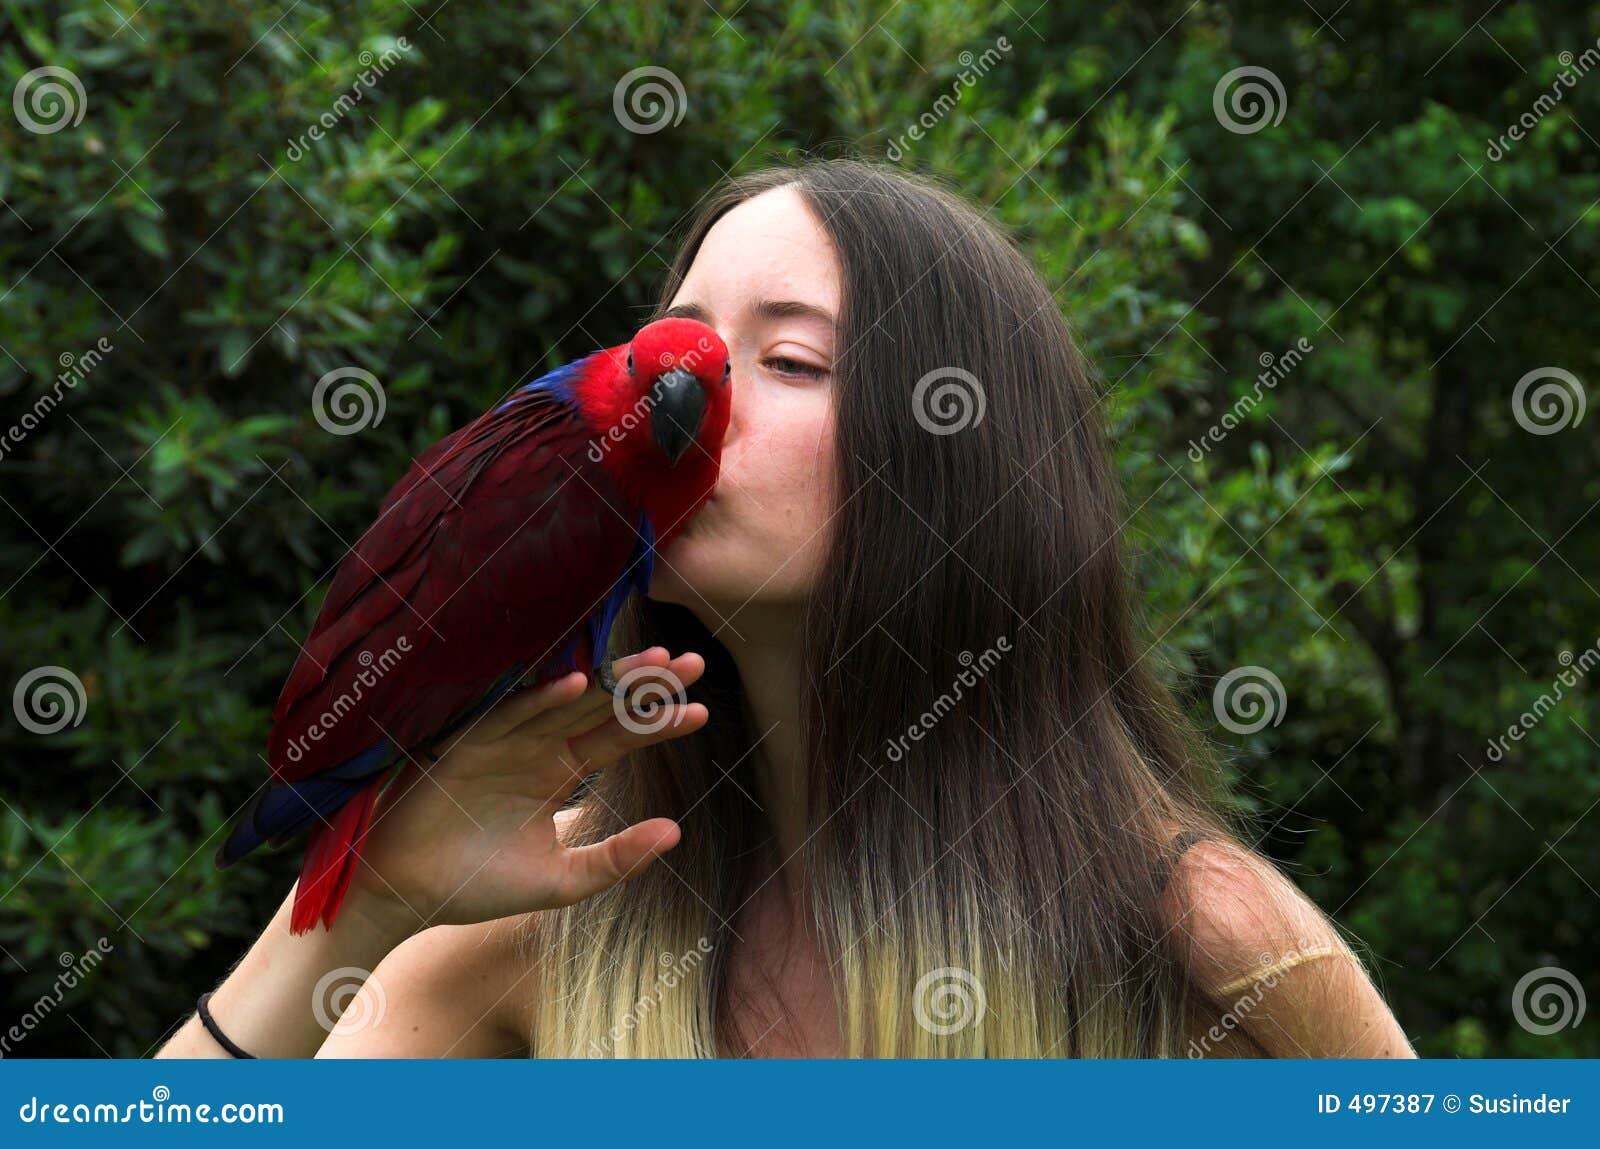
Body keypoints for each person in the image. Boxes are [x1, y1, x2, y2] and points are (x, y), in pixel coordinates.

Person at [158, 159, 1415, 1059]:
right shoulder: (545, 918)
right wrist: (356, 917)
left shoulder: (1201, 942)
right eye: (675, 344)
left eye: (795, 361)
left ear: (952, 455)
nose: (692, 403)